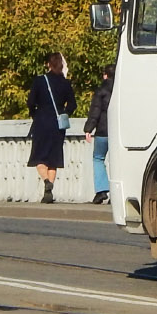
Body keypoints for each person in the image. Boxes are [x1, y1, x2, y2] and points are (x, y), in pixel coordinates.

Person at [26, 51, 76, 204]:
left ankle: (46, 181)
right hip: (57, 125)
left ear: (48, 64)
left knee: (39, 157)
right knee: (53, 158)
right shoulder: (66, 83)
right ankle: (50, 190)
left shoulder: (40, 81)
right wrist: (63, 114)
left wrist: (35, 114)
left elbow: (31, 102)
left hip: (41, 122)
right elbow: (73, 105)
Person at [83, 63, 115, 205]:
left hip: (102, 131)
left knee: (98, 158)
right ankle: (116, 193)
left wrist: (88, 129)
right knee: (116, 162)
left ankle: (101, 191)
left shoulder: (101, 90)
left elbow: (95, 112)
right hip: (118, 132)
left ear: (105, 75)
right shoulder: (122, 89)